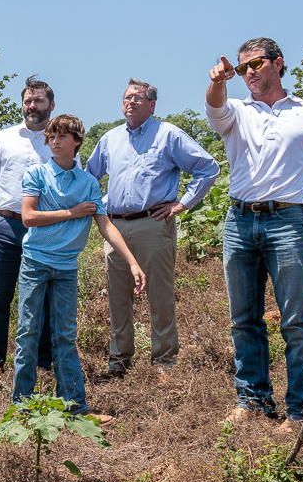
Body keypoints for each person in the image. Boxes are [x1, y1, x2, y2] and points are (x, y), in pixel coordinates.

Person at [205, 37, 303, 429]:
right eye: (241, 69)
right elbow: (215, 108)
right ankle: (252, 400)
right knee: (244, 318)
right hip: (239, 222)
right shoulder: (237, 110)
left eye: (256, 63)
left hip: (287, 222)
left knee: (296, 319)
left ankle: (302, 410)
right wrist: (218, 81)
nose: (249, 72)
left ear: (278, 63)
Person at [87, 79, 220, 380]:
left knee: (160, 296)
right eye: (127, 96)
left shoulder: (168, 134)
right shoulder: (109, 139)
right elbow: (89, 177)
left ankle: (164, 362)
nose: (131, 101)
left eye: (138, 97)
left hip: (153, 224)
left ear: (151, 104)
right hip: (116, 227)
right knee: (118, 297)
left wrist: (183, 203)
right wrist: (99, 205)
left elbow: (208, 167)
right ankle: (118, 362)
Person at [12, 114, 145, 415]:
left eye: (61, 136)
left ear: (76, 142)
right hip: (35, 262)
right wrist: (71, 212)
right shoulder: (37, 174)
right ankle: (21, 409)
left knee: (65, 337)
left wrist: (133, 263)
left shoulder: (88, 183)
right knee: (28, 333)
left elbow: (105, 225)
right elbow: (28, 217)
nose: (54, 142)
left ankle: (74, 407)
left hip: (67, 268)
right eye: (51, 137)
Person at [0, 76, 56, 378]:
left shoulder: (59, 139)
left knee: (44, 296)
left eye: (38, 100)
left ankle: (43, 362)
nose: (32, 106)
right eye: (28, 101)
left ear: (51, 104)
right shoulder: (4, 137)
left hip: (46, 229)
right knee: (0, 295)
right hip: (7, 226)